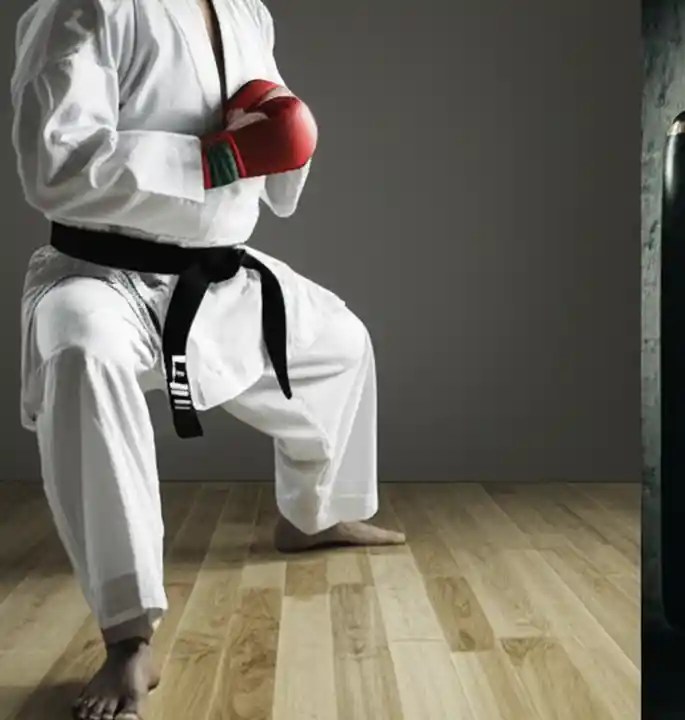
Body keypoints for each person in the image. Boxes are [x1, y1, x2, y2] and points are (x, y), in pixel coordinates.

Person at [10, 1, 406, 718]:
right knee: (80, 356)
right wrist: (219, 156)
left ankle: (312, 516)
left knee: (341, 344)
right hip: (100, 276)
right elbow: (54, 161)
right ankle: (127, 637)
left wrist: (287, 129)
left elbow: (270, 142)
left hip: (213, 273)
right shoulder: (84, 7)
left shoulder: (244, 8)